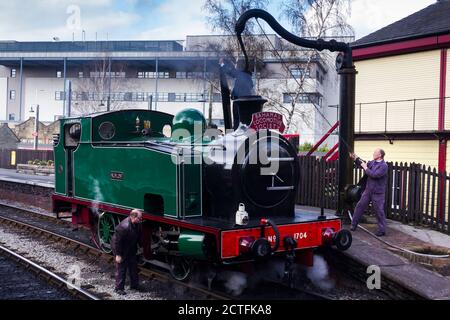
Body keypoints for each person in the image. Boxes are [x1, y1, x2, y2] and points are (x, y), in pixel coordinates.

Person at [350, 149, 388, 237]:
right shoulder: (372, 163)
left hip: (378, 193)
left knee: (379, 211)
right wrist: (355, 158)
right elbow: (363, 163)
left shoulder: (384, 166)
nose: (373, 153)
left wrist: (365, 168)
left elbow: (374, 175)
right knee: (359, 206)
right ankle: (353, 225)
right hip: (368, 191)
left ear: (380, 155)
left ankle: (382, 230)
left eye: (375, 153)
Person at [111, 209, 143, 295]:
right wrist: (118, 254)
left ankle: (134, 285)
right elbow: (118, 242)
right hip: (121, 247)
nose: (141, 220)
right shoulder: (123, 227)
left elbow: (139, 236)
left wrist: (141, 246)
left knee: (133, 266)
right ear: (134, 217)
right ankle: (118, 288)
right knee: (122, 267)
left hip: (130, 246)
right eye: (140, 218)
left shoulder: (137, 224)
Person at [219, 58, 255, 130]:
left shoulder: (241, 74)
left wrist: (222, 64)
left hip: (238, 99)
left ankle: (236, 130)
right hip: (245, 100)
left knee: (237, 117)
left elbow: (230, 72)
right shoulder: (249, 78)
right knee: (242, 118)